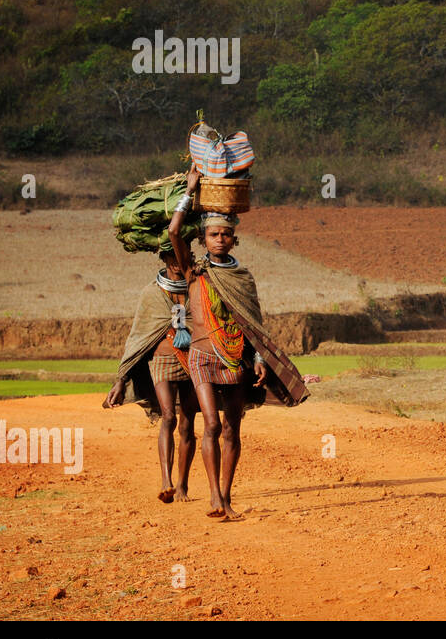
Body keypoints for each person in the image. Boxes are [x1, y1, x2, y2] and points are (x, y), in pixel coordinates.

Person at [169, 165, 309, 519]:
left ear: (233, 239)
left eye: (225, 235)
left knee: (232, 427)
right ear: (204, 238)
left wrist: (260, 358)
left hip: (236, 357)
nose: (219, 239)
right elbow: (173, 231)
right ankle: (214, 497)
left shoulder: (243, 278)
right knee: (211, 424)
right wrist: (190, 190)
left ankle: (227, 497)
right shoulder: (194, 272)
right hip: (201, 355)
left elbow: (253, 324)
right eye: (213, 234)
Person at [103, 247, 200, 503]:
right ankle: (166, 481)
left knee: (188, 423)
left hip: (192, 360)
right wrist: (121, 379)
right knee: (168, 416)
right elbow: (138, 337)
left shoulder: (198, 288)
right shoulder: (151, 293)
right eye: (170, 256)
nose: (176, 261)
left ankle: (182, 486)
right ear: (163, 258)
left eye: (180, 255)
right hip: (161, 361)